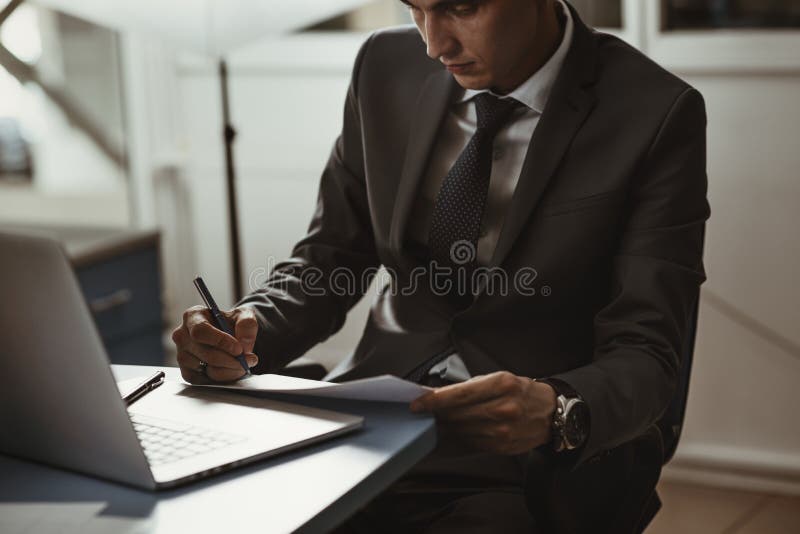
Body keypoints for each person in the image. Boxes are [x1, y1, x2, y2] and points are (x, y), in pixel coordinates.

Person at [171, 0, 709, 531]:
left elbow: (648, 351)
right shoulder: (384, 66)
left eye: (461, 8)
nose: (434, 44)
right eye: (414, 8)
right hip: (373, 423)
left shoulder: (656, 112)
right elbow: (329, 256)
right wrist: (244, 330)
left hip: (528, 462)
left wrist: (554, 408)